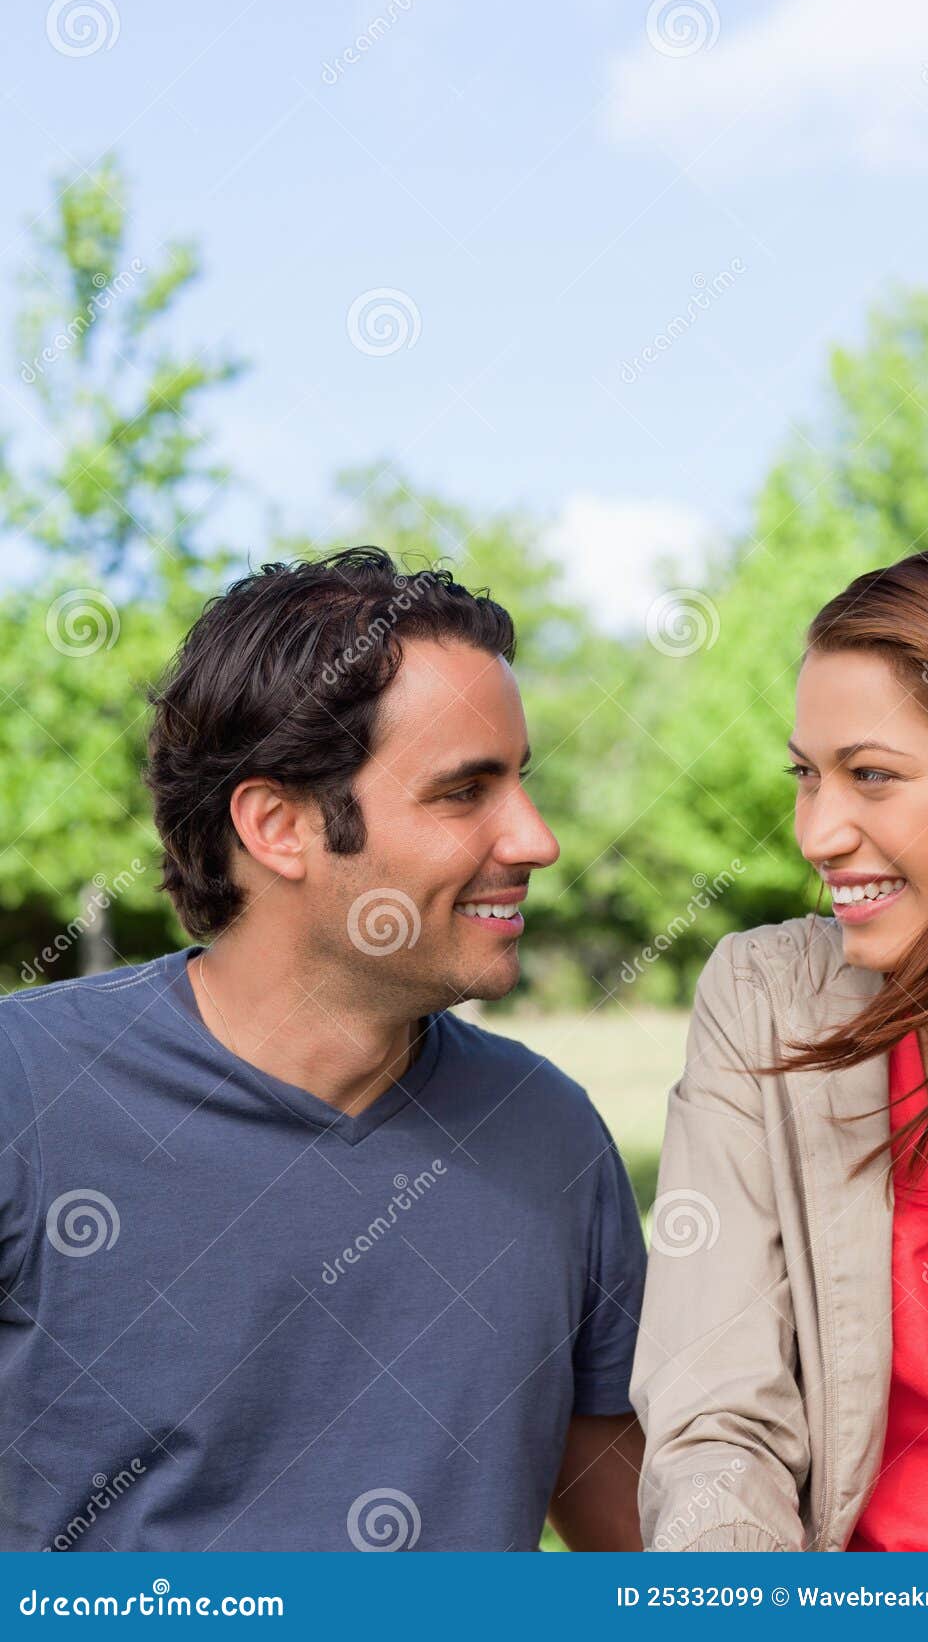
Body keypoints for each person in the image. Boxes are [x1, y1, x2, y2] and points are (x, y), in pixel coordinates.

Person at [0, 546, 646, 1552]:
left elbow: (646, 1557)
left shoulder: (550, 1136)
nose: (533, 839)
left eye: (518, 781)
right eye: (462, 791)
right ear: (277, 825)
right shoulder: (23, 1092)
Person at [632, 542, 928, 1553]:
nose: (817, 832)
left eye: (870, 775)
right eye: (806, 776)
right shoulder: (763, 1000)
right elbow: (714, 1421)